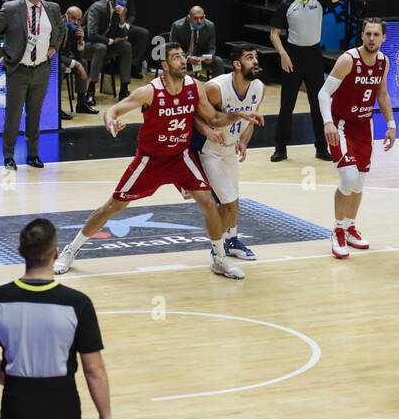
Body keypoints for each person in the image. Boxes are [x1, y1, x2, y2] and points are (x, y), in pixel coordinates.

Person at [54, 43, 263, 279]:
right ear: (164, 65)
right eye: (176, 57)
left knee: (207, 202)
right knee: (113, 207)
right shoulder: (149, 91)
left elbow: (214, 116)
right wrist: (111, 121)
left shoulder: (195, 86)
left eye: (183, 56)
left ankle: (219, 259)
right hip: (150, 160)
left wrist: (238, 114)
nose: (183, 60)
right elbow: (113, 110)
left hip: (180, 158)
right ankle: (71, 251)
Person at [0, 218, 113, 419]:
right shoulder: (77, 304)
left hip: (14, 409)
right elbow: (93, 369)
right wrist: (105, 417)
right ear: (55, 253)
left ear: (20, 251)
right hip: (62, 411)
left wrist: (12, 383)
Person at [319, 17, 396, 258]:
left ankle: (351, 226)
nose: (372, 38)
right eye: (368, 34)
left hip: (365, 126)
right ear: (362, 35)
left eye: (376, 35)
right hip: (340, 125)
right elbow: (323, 94)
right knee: (349, 178)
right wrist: (328, 123)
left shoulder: (384, 62)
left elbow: (382, 94)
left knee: (359, 182)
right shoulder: (347, 60)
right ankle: (337, 230)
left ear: (383, 38)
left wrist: (391, 124)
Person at [268, 0, 351, 162]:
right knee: (287, 104)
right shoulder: (287, 4)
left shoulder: (320, 0)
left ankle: (321, 147)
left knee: (318, 103)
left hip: (313, 55)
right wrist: (283, 54)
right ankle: (281, 147)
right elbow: (274, 33)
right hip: (292, 55)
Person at [192, 45, 266, 261]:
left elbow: (251, 118)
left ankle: (231, 241)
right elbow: (194, 115)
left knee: (233, 199)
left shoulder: (259, 87)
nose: (255, 62)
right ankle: (217, 247)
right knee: (228, 201)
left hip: (230, 150)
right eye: (250, 58)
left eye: (256, 58)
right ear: (236, 64)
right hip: (209, 150)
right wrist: (206, 130)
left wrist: (243, 141)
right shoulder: (216, 88)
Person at [0, 0, 66, 171]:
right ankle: (9, 156)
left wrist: (54, 46)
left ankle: (32, 154)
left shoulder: (52, 8)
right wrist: (1, 57)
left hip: (41, 69)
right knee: (13, 115)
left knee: (35, 114)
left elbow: (61, 29)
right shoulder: (11, 8)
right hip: (18, 71)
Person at [90, 0, 151, 76]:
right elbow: (94, 14)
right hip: (105, 26)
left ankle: (131, 66)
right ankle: (107, 65)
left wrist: (125, 25)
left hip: (122, 24)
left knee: (143, 33)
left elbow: (132, 14)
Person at [83, 0, 136, 102]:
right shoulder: (97, 8)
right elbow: (92, 34)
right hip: (86, 45)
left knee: (126, 46)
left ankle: (124, 89)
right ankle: (90, 91)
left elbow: (123, 36)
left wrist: (122, 19)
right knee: (101, 47)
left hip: (106, 46)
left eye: (126, 0)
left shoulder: (123, 10)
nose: (123, 2)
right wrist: (111, 41)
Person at [59, 5, 97, 116]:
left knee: (83, 61)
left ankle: (81, 103)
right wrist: (75, 64)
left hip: (65, 58)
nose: (76, 22)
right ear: (65, 16)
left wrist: (80, 41)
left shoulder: (75, 28)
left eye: (79, 20)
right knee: (60, 67)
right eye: (73, 18)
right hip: (53, 60)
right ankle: (55, 107)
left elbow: (78, 54)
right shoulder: (59, 26)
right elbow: (55, 54)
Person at [170, 6, 225, 79]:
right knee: (172, 60)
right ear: (189, 17)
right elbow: (174, 48)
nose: (199, 21)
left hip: (200, 59)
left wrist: (210, 56)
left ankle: (216, 86)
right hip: (183, 58)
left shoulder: (210, 26)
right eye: (195, 18)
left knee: (218, 61)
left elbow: (211, 47)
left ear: (204, 16)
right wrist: (187, 58)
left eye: (202, 18)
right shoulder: (177, 26)